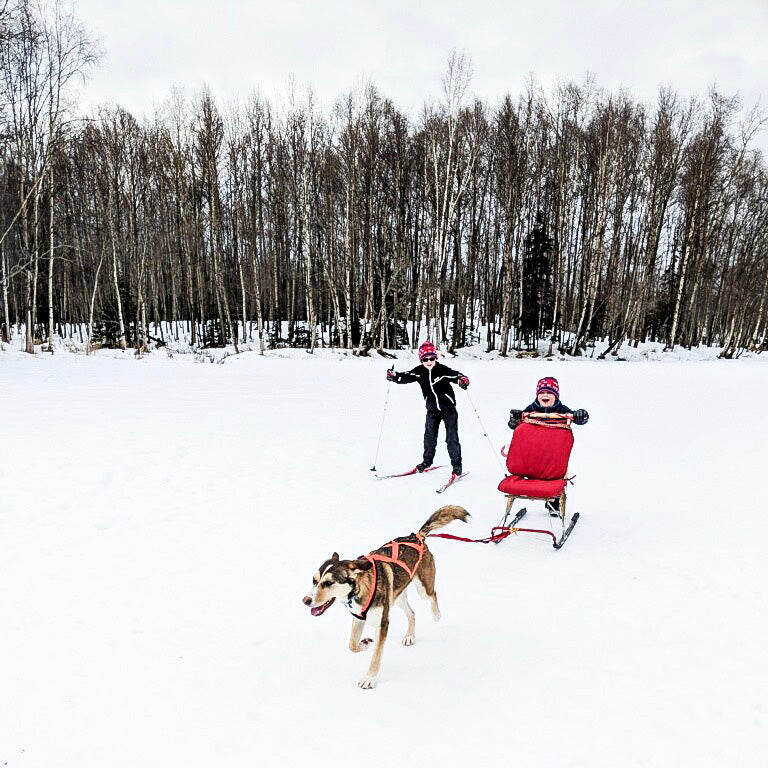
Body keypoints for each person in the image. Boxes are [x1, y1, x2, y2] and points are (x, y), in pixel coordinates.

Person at [508, 376, 588, 516]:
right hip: (533, 453)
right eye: (542, 392)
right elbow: (515, 425)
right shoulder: (530, 409)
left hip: (551, 457)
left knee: (553, 473)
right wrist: (514, 420)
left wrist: (580, 415)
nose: (545, 395)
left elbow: (578, 419)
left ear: (556, 396)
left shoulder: (562, 410)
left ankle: (554, 503)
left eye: (550, 393)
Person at [386, 341, 469, 477]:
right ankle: (426, 462)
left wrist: (462, 379)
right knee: (429, 438)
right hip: (432, 411)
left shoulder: (442, 370)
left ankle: (457, 466)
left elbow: (455, 375)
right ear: (421, 359)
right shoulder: (419, 372)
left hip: (449, 410)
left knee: (451, 439)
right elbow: (406, 376)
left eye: (432, 358)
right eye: (425, 359)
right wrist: (394, 376)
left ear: (436, 358)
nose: (429, 361)